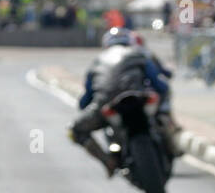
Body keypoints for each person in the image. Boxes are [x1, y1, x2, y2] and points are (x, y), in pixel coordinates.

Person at [69, 27, 179, 175]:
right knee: (163, 118)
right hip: (139, 99)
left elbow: (85, 99)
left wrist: (88, 107)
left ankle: (107, 161)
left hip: (106, 104)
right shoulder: (139, 55)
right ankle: (172, 147)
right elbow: (160, 85)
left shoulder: (97, 62)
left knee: (75, 130)